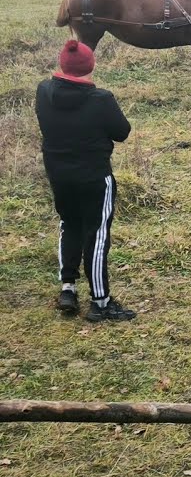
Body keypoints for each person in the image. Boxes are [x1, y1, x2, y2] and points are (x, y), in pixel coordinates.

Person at [34, 40, 136, 321]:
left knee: (69, 223)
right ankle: (100, 302)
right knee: (97, 234)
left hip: (58, 174)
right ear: (91, 66)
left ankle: (68, 288)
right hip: (94, 177)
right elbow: (122, 132)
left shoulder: (43, 91)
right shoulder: (101, 99)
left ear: (62, 64)